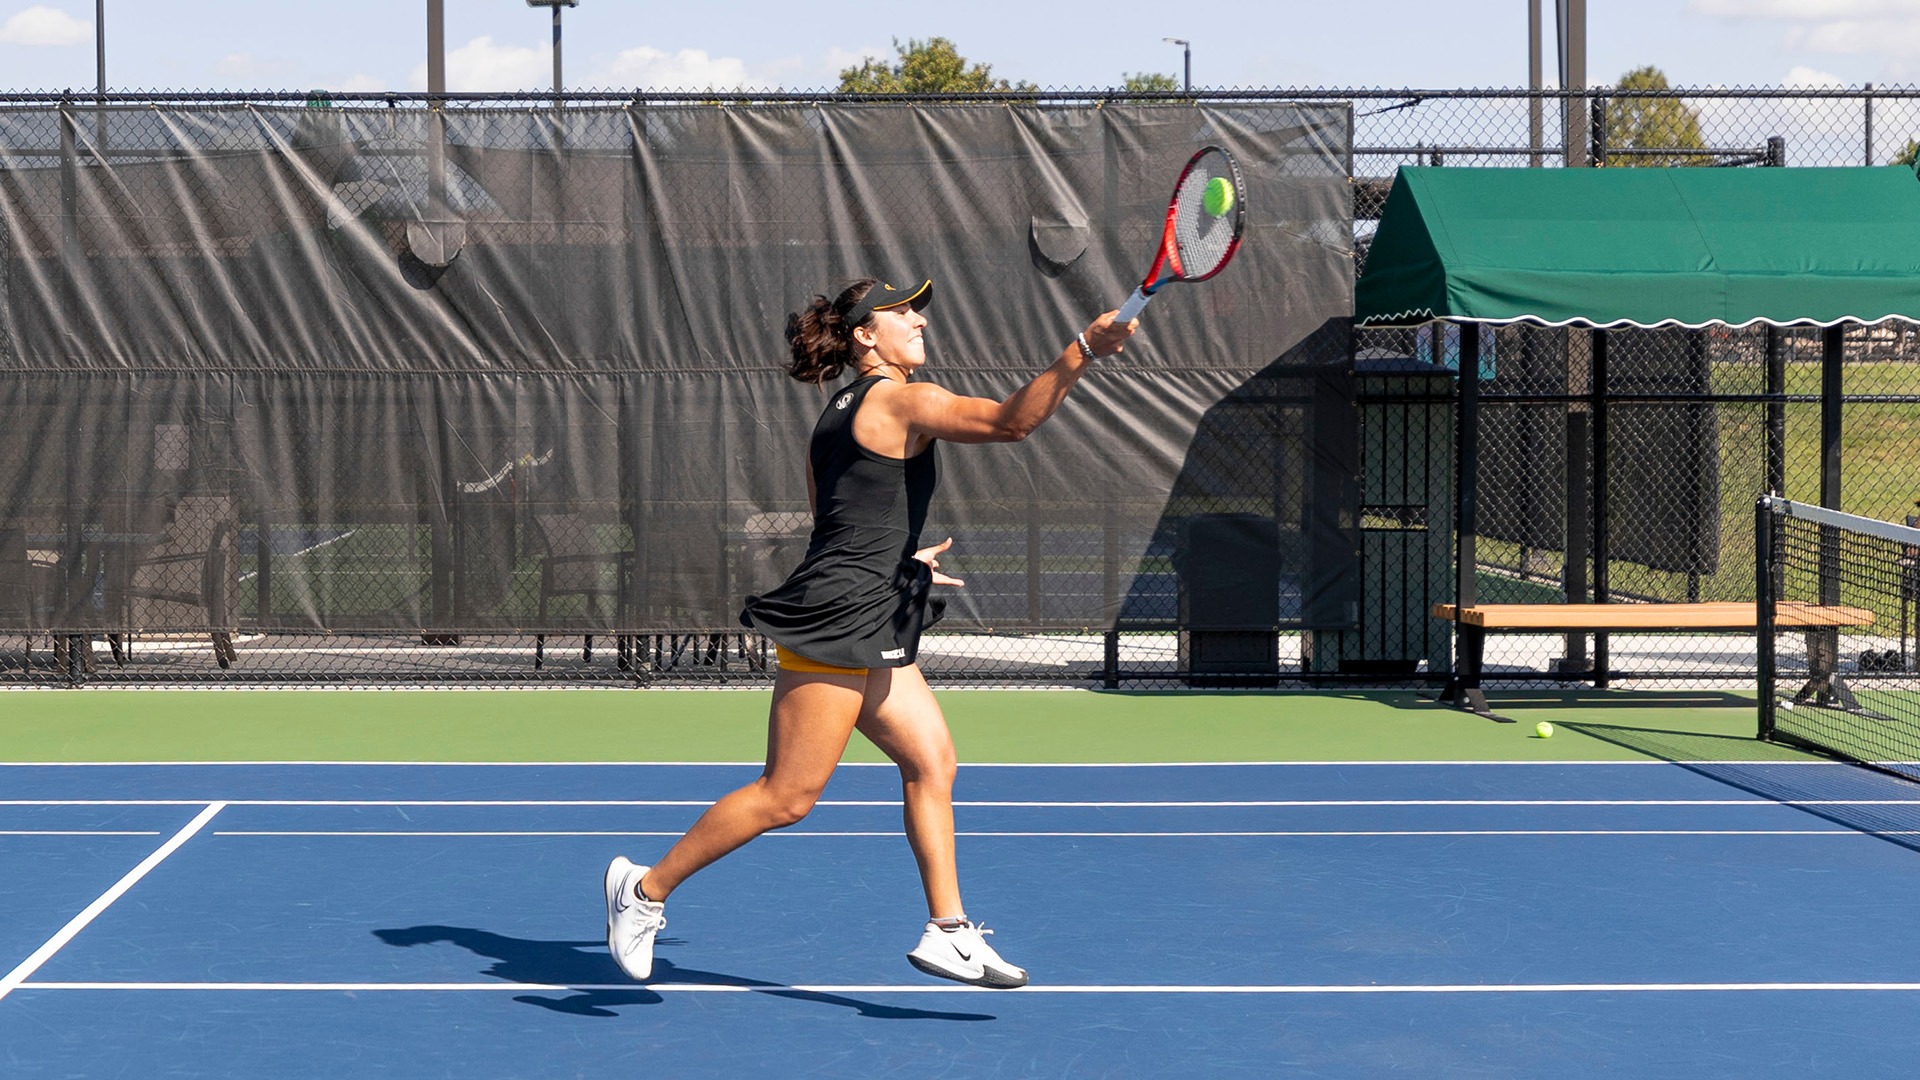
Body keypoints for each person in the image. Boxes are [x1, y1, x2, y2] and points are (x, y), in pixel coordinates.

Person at [603, 276, 1135, 988]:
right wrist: (1081, 351)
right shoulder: (901, 399)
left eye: (918, 310)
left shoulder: (834, 417)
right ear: (864, 335)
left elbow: (838, 521)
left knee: (931, 762)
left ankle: (949, 932)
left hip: (870, 602)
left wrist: (901, 560)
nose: (919, 321)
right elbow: (1011, 423)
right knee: (787, 796)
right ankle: (642, 892)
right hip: (840, 616)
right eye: (901, 312)